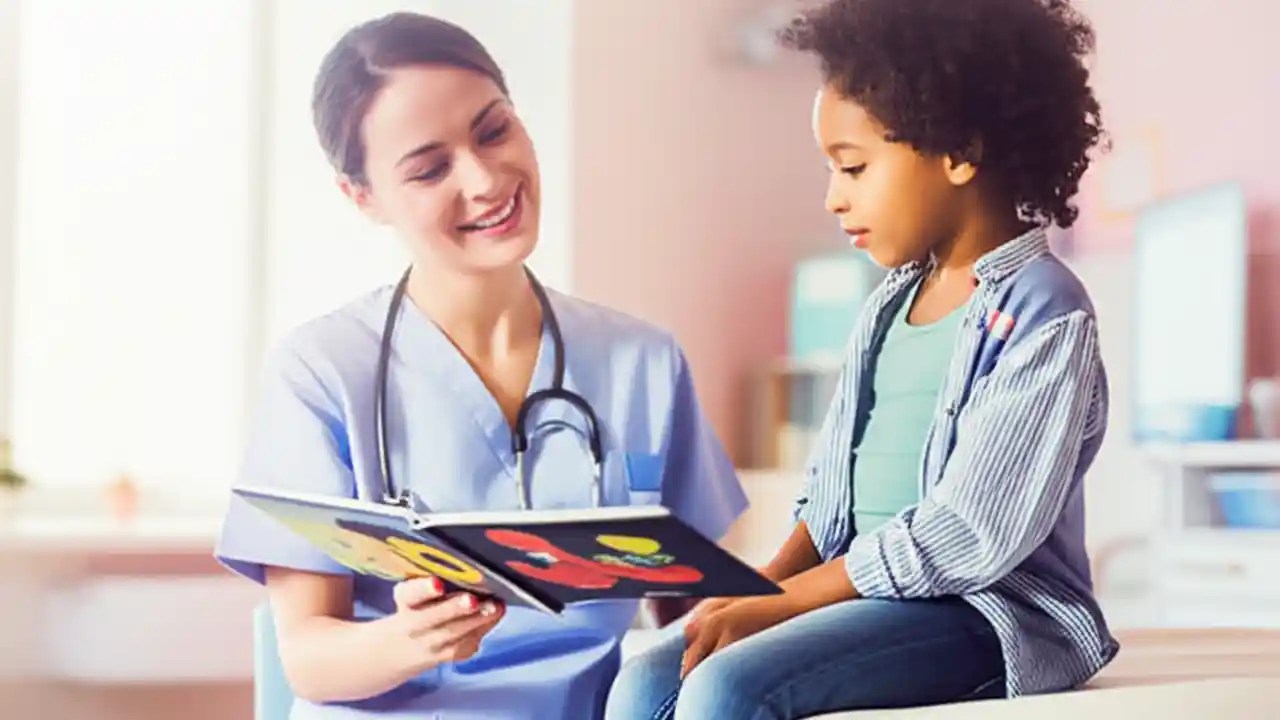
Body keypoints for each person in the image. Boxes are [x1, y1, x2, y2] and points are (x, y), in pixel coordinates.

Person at [214, 12, 747, 720]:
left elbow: (696, 610)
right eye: (431, 168)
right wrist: (414, 638)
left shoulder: (641, 362)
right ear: (362, 196)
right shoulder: (321, 372)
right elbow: (308, 658)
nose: (486, 178)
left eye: (494, 130)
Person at [605, 0, 1116, 717]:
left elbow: (968, 534)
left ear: (961, 150)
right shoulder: (886, 305)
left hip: (979, 611)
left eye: (852, 167)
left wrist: (789, 602)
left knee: (728, 689)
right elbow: (832, 490)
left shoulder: (1044, 311)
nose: (831, 198)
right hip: (870, 591)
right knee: (646, 679)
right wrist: (761, 586)